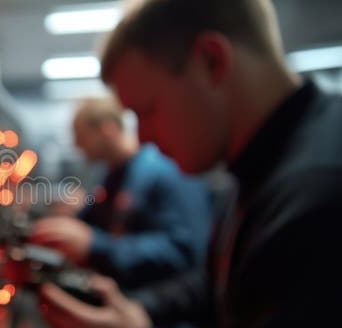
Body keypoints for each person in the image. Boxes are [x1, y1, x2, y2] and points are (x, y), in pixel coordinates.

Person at [38, 0, 342, 328]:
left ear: (211, 61)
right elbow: (222, 287)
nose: (141, 137)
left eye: (147, 111)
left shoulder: (316, 196)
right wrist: (133, 309)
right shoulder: (266, 159)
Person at [30, 96, 211, 289]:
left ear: (107, 129)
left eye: (81, 136)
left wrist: (96, 246)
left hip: (158, 307)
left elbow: (184, 249)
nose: (77, 145)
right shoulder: (111, 175)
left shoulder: (164, 169)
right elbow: (97, 216)